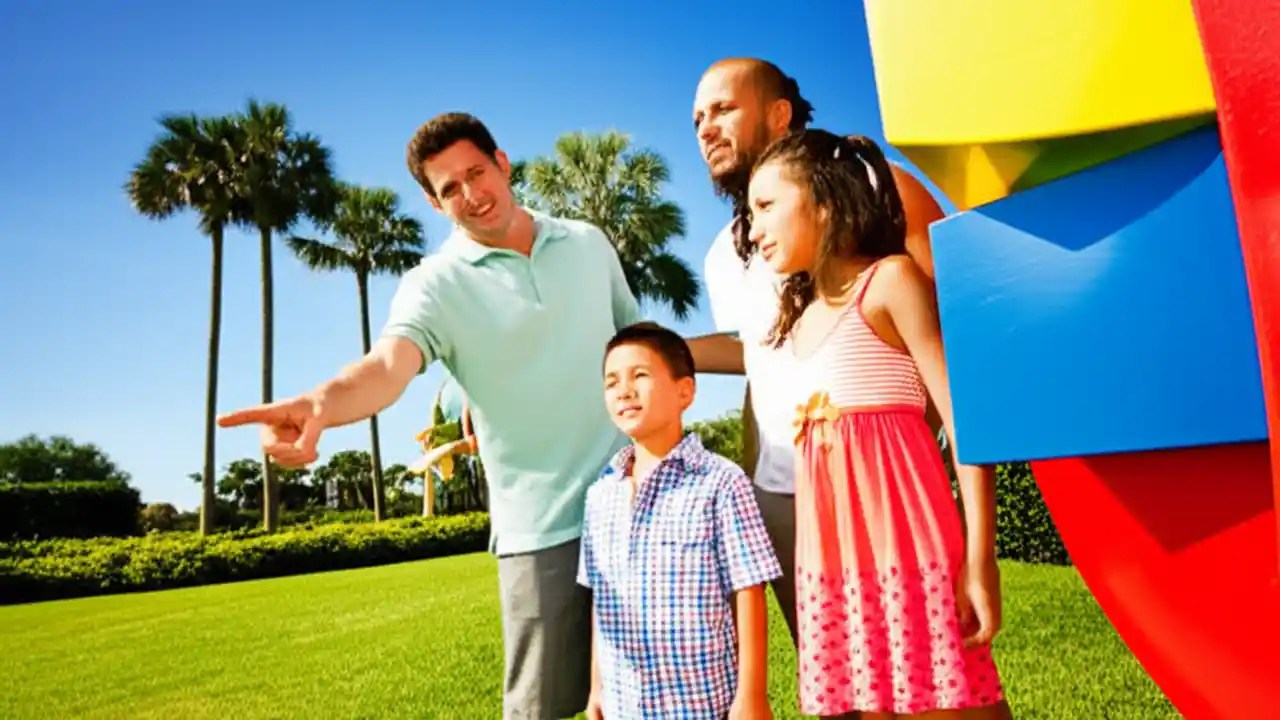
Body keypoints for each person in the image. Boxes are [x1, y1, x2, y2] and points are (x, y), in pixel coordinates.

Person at [216, 111, 644, 720]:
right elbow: (388, 365)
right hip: (540, 528)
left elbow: (637, 346)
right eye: (449, 188)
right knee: (539, 710)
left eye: (476, 172)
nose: (471, 195)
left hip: (636, 507)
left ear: (503, 162)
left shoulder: (586, 243)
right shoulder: (434, 285)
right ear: (432, 201)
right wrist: (322, 403)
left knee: (663, 691)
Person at [685, 57, 947, 652]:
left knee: (933, 675)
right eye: (697, 117)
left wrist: (915, 460)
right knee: (835, 679)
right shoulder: (722, 255)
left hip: (881, 483)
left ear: (779, 114)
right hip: (781, 496)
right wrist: (666, 353)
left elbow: (943, 319)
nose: (704, 128)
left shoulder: (879, 185)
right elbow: (757, 347)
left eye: (722, 108)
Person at [746, 128, 1010, 719]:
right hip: (836, 562)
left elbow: (961, 419)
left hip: (908, 547)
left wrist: (980, 553)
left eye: (766, 207)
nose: (754, 229)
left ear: (825, 200)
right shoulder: (801, 319)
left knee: (954, 699)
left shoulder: (889, 282)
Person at [578, 322, 782, 719]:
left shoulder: (721, 481)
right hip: (625, 705)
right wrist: (596, 688)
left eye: (640, 375)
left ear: (684, 391)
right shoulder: (600, 495)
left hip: (701, 703)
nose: (624, 390)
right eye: (611, 382)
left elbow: (749, 590)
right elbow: (599, 601)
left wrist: (752, 696)